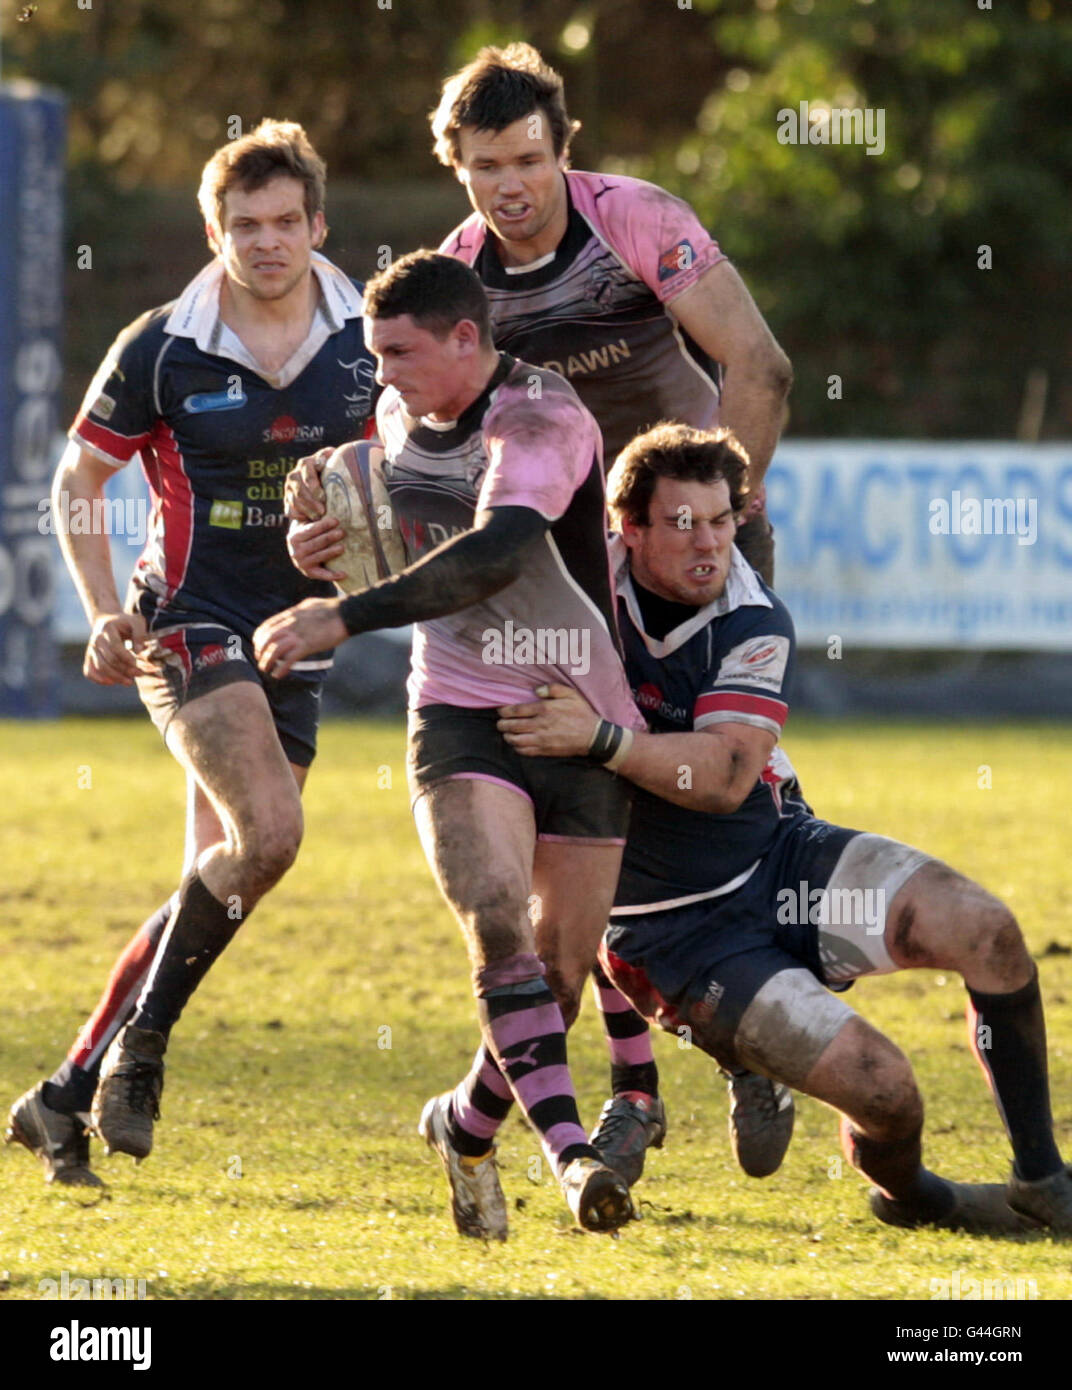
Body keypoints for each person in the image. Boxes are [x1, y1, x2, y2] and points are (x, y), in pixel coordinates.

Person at [496, 421, 1072, 1235]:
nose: (709, 544)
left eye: (722, 520)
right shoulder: (577, 588)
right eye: (682, 523)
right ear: (629, 528)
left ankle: (1043, 1181)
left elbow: (727, 779)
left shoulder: (753, 616)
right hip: (674, 934)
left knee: (989, 930)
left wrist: (601, 740)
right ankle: (919, 1200)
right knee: (887, 1090)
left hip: (781, 857)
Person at [432, 41, 795, 1185]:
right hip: (567, 581)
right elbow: (432, 440)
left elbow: (761, 365)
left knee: (728, 781)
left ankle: (742, 1042)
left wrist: (710, 516)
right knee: (592, 828)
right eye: (486, 164)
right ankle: (654, 1080)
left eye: (529, 158)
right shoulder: (457, 277)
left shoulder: (633, 218)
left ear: (564, 152)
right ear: (458, 167)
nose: (511, 185)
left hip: (687, 541)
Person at [5, 120, 376, 1187]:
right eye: (242, 226)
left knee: (222, 879)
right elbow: (77, 485)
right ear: (212, 232)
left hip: (298, 635)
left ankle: (65, 1092)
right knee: (272, 830)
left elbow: (417, 465)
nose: (266, 243)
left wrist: (360, 541)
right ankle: (143, 1055)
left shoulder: (370, 338)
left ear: (318, 223)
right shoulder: (162, 345)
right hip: (188, 621)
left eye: (284, 222)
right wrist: (100, 612)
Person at [256, 249, 643, 1236]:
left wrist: (341, 621)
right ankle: (571, 1160)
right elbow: (397, 525)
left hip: (581, 711)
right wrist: (321, 545)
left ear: (466, 341)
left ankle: (465, 1127)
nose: (379, 375)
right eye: (374, 354)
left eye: (398, 352)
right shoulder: (397, 413)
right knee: (496, 925)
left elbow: (492, 553)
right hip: (459, 710)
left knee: (557, 981)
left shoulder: (543, 419)